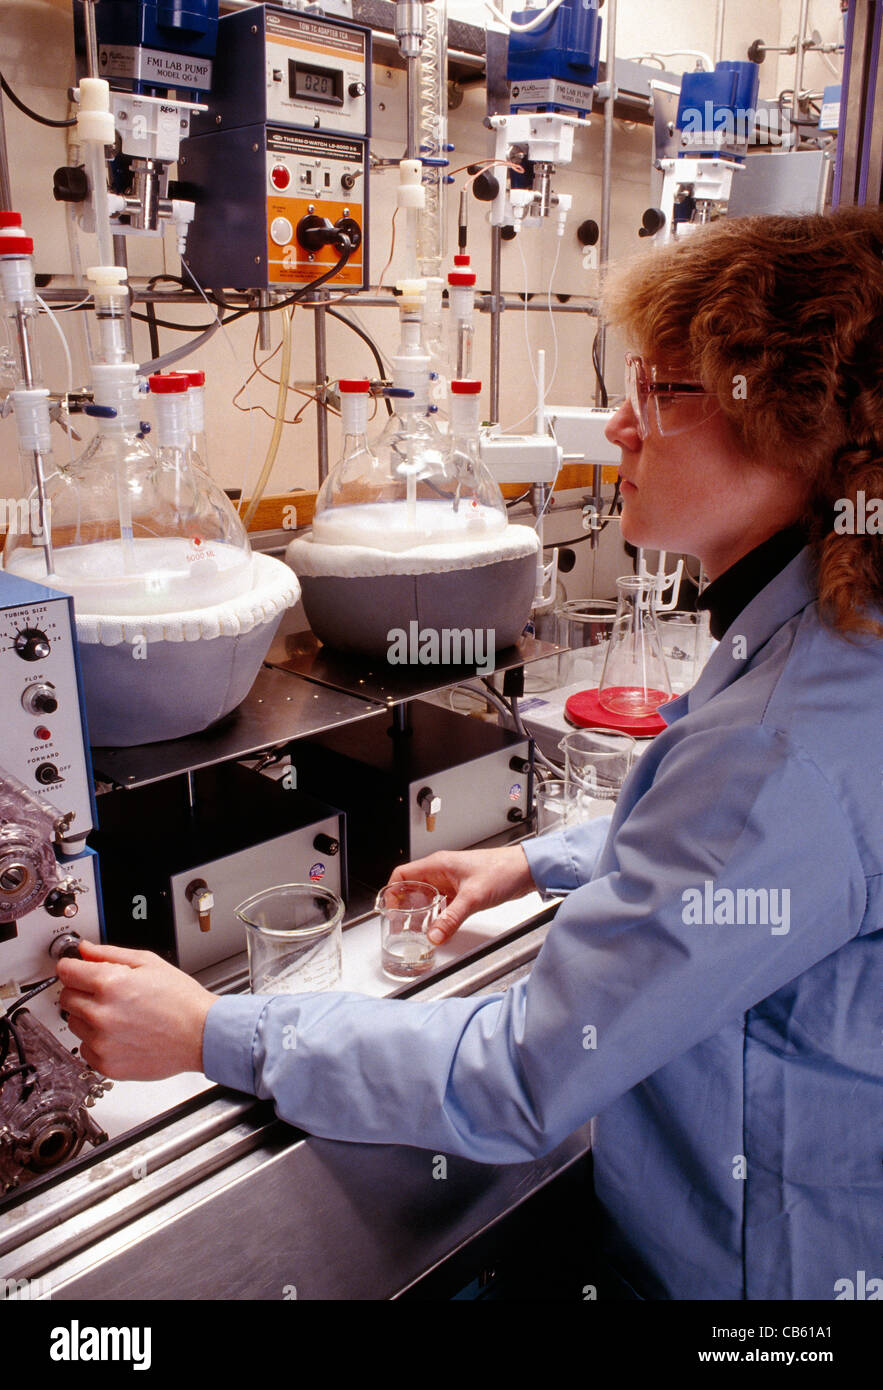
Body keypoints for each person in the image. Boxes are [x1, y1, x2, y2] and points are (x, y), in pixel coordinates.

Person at [57, 208, 883, 1301]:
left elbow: (515, 1078)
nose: (616, 424)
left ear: (801, 434)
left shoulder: (778, 743)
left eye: (665, 393)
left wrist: (215, 1029)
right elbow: (748, 872)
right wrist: (538, 861)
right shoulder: (832, 638)